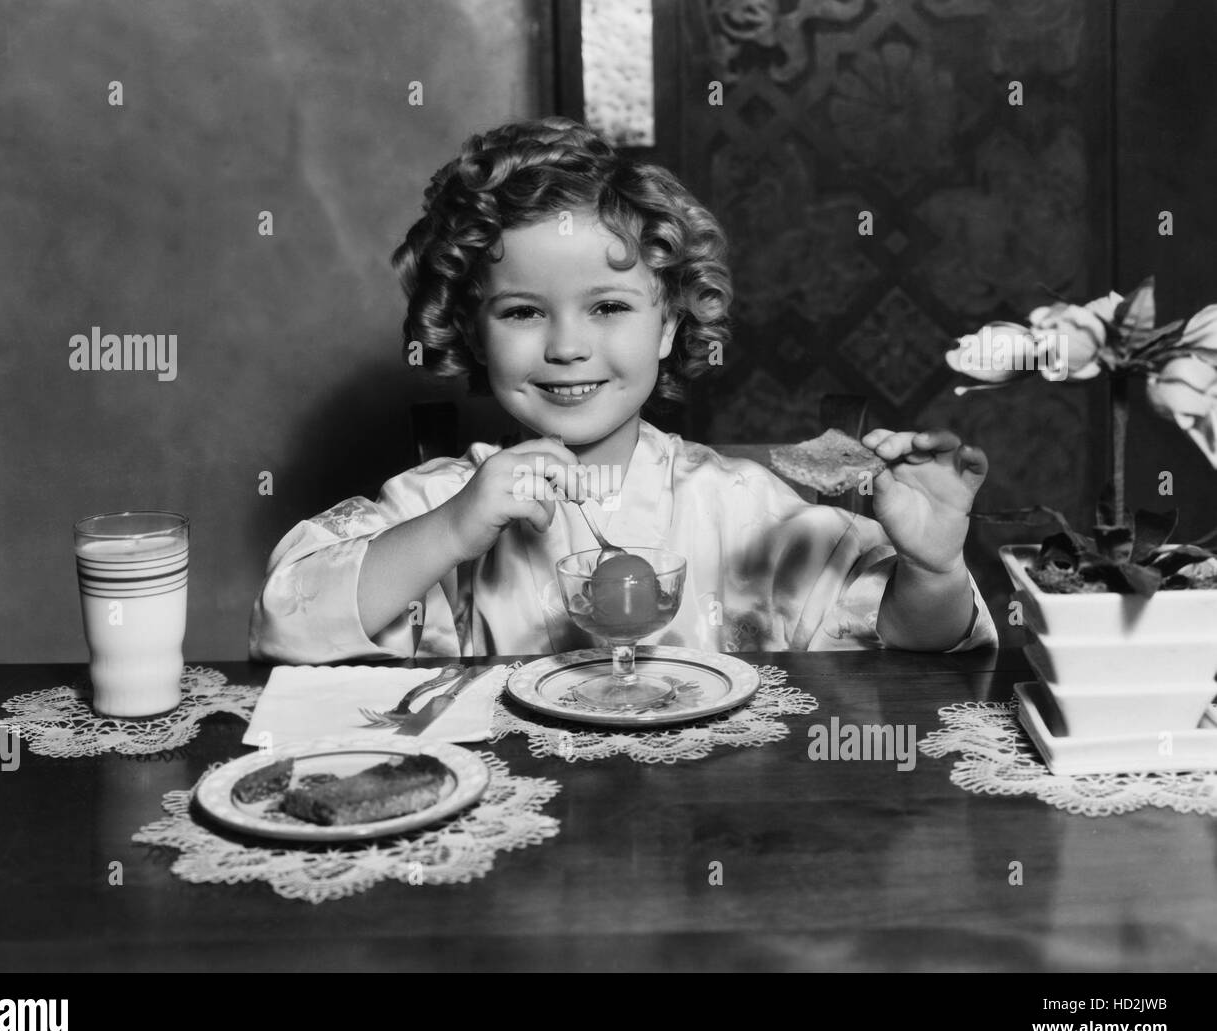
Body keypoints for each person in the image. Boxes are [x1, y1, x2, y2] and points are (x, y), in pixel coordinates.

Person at [249, 117, 998, 662]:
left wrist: (932, 570)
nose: (569, 346)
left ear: (669, 325)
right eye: (521, 311)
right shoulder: (438, 506)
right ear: (474, 333)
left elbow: (906, 643)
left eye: (608, 307)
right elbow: (286, 621)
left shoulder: (741, 511)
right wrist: (451, 530)